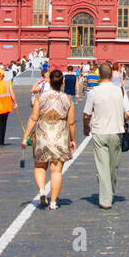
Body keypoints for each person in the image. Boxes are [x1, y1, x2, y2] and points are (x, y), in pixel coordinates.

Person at [22, 68, 76, 209]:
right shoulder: (68, 98)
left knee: (40, 165)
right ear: (62, 82)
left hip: (42, 133)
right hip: (60, 134)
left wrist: (26, 136)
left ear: (50, 81)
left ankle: (41, 191)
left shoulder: (40, 97)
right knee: (56, 170)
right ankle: (53, 202)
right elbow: (71, 122)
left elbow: (34, 118)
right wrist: (72, 140)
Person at [83, 60, 129, 209]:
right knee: (113, 167)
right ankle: (107, 196)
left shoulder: (93, 92)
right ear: (111, 75)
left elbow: (86, 115)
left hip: (99, 132)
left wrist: (86, 128)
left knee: (103, 166)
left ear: (99, 76)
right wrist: (120, 118)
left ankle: (106, 196)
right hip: (116, 132)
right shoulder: (120, 91)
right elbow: (128, 113)